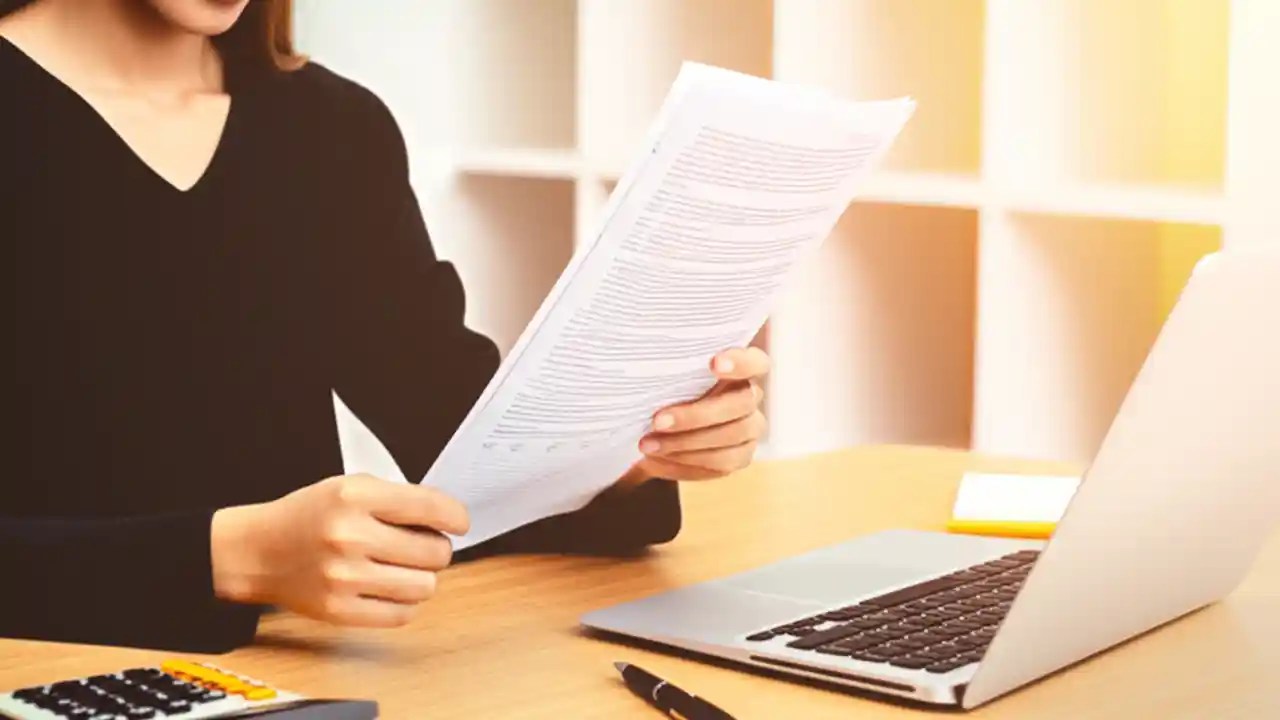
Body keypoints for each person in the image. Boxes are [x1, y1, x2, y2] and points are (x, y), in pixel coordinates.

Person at [0, 0, 771, 652]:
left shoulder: (329, 128)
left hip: (294, 687)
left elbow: (472, 462)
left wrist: (635, 452)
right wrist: (230, 559)